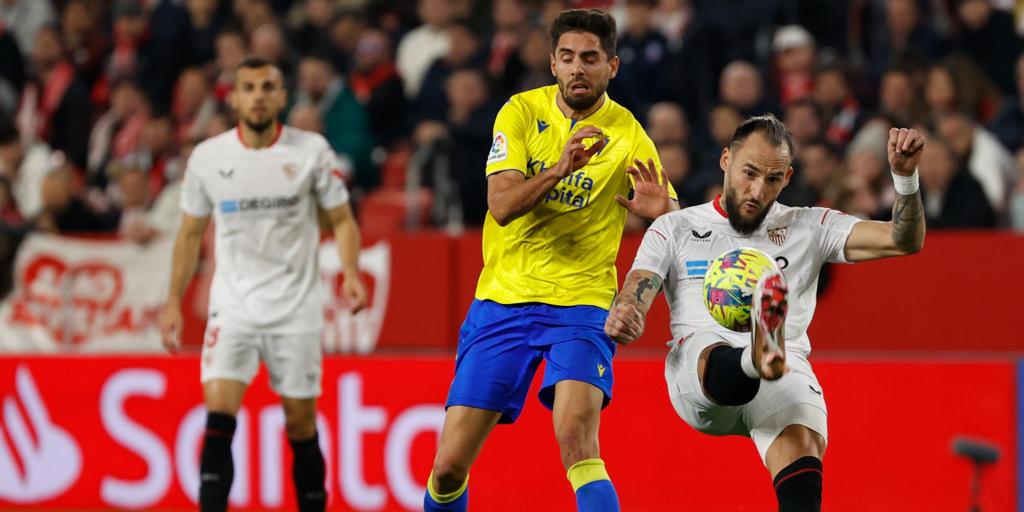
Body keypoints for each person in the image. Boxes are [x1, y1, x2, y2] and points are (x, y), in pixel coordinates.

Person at [424, 9, 678, 512]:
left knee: (576, 440)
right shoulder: (518, 112)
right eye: (567, 58)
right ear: (552, 64)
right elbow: (500, 205)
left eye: (590, 58)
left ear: (613, 67)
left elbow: (675, 222)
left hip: (582, 305)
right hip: (504, 300)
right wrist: (560, 168)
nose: (577, 68)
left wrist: (662, 212)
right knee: (449, 467)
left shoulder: (627, 134)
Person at [606, 115, 926, 511]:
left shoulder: (809, 225)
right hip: (701, 372)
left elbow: (903, 240)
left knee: (802, 449)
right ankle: (753, 357)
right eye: (749, 172)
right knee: (709, 348)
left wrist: (905, 180)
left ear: (787, 178)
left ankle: (762, 356)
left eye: (772, 180)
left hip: (782, 364)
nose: (757, 190)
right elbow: (638, 287)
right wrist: (628, 311)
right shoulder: (676, 226)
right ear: (726, 159)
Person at [157, 56, 367, 512]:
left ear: (282, 96)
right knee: (218, 415)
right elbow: (189, 234)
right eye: (248, 88)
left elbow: (343, 221)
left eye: (267, 87)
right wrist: (173, 301)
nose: (257, 97)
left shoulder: (310, 151)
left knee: (300, 424)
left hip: (295, 308)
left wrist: (350, 272)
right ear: (233, 98)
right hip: (232, 307)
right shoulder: (209, 158)